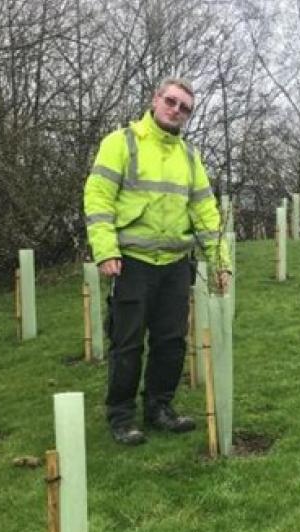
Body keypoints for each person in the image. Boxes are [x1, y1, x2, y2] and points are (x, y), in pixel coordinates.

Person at [84, 77, 231, 445]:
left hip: (176, 265)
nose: (176, 110)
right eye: (171, 101)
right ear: (155, 99)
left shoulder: (189, 157)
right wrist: (105, 250)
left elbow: (205, 211)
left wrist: (219, 262)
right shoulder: (122, 143)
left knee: (171, 342)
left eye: (185, 108)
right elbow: (99, 197)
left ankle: (159, 408)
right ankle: (121, 416)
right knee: (127, 341)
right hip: (131, 262)